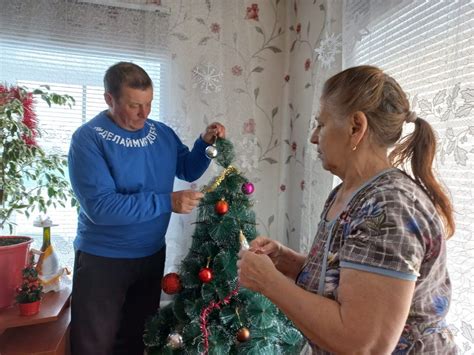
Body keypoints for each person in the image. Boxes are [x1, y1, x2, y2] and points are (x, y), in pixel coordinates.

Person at [237, 65, 457, 354]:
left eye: (322, 124)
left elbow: (363, 345)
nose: (315, 137)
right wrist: (289, 262)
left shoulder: (390, 207)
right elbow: (350, 283)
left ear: (356, 127)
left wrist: (269, 281)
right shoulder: (345, 194)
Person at [68, 61, 225, 355]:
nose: (144, 113)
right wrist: (166, 202)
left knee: (137, 340)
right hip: (104, 260)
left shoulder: (161, 133)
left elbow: (187, 169)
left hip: (151, 255)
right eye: (134, 105)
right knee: (94, 346)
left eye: (149, 103)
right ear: (109, 99)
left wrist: (205, 143)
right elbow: (101, 207)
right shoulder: (88, 139)